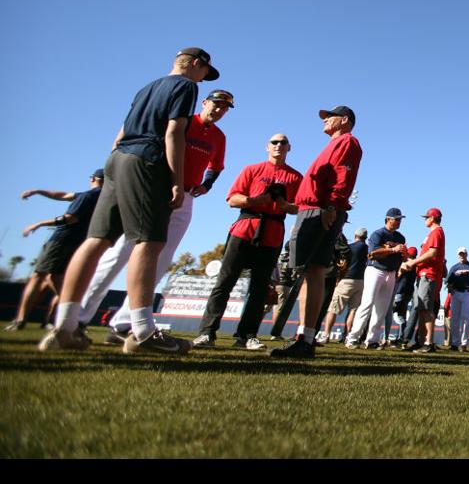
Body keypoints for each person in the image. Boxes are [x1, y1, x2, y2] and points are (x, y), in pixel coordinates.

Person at [39, 47, 218, 354]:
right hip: (147, 160)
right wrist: (176, 182)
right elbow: (174, 133)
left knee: (96, 240)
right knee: (148, 242)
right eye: (205, 73)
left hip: (118, 159)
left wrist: (114, 166)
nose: (203, 80)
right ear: (196, 64)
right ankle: (143, 332)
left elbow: (120, 134)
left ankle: (64, 328)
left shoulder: (147, 87)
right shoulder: (185, 86)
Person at [79, 87, 232, 344]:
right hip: (155, 191)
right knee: (121, 251)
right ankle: (79, 317)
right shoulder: (183, 122)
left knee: (162, 259)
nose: (218, 110)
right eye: (215, 104)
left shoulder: (219, 136)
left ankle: (125, 324)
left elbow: (216, 167)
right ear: (204, 102)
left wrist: (206, 185)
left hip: (185, 197)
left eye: (224, 108)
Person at [193, 133, 302, 350]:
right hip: (245, 228)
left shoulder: (296, 177)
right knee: (225, 282)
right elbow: (232, 199)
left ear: (289, 147)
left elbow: (300, 208)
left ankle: (247, 334)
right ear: (267, 147)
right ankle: (207, 332)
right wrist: (255, 200)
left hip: (272, 232)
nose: (278, 145)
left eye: (283, 142)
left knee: (260, 287)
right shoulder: (252, 170)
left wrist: (283, 204)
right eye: (274, 142)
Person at [269, 105, 362, 358]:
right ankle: (304, 336)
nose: (325, 120)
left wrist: (331, 205)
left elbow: (342, 176)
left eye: (329, 116)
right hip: (312, 209)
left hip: (321, 210)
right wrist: (287, 204)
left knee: (314, 271)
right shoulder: (333, 144)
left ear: (344, 120)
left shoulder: (347, 142)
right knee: (308, 272)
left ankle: (306, 338)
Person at [8, 170, 105, 332]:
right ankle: (71, 316)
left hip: (62, 239)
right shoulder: (102, 197)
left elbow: (69, 218)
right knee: (56, 279)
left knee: (38, 277)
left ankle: (20, 320)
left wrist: (38, 224)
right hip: (80, 242)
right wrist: (38, 192)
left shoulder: (87, 196)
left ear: (94, 179)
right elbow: (63, 195)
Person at [347, 209, 407, 349]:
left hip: (391, 272)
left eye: (400, 219)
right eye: (396, 219)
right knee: (367, 304)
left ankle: (372, 340)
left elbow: (402, 257)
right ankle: (352, 338)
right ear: (388, 219)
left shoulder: (400, 237)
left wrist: (403, 255)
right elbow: (372, 253)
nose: (398, 222)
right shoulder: (378, 234)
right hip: (375, 270)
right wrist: (393, 250)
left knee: (382, 308)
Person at [399, 208, 446, 354]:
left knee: (426, 309)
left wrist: (413, 263)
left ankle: (428, 342)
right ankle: (420, 341)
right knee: (421, 309)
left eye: (426, 217)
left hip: (429, 275)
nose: (425, 220)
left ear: (432, 218)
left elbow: (432, 253)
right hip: (424, 275)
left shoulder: (436, 232)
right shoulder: (433, 233)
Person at [318, 227, 369, 344]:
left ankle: (326, 335)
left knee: (333, 309)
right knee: (353, 311)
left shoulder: (349, 247)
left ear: (356, 235)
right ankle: (348, 337)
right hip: (361, 281)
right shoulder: (367, 248)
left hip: (346, 279)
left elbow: (342, 262)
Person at [446, 247, 469, 352]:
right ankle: (455, 343)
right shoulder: (454, 267)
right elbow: (448, 281)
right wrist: (451, 290)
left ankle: (464, 343)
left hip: (467, 293)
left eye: (463, 254)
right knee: (455, 319)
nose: (462, 256)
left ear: (466, 254)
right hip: (456, 293)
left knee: (465, 318)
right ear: (458, 255)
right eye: (460, 254)